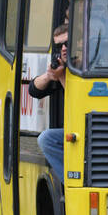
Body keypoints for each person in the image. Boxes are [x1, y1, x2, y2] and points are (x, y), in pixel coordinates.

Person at [29, 22, 69, 184]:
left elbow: (78, 100)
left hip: (93, 131)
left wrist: (61, 77)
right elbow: (34, 90)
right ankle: (70, 184)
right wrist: (50, 75)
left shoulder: (86, 66)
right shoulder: (60, 68)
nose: (64, 48)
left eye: (67, 43)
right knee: (46, 139)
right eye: (59, 46)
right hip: (74, 134)